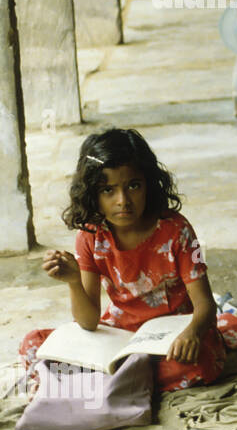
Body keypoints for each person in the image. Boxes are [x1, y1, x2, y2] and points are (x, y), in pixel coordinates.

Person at [28, 129, 226, 394]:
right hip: (121, 333)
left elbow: (206, 305)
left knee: (191, 363)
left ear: (149, 184)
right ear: (91, 194)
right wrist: (74, 282)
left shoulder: (177, 230)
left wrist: (193, 332)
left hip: (173, 335)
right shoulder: (90, 235)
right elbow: (88, 322)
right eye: (108, 190)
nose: (123, 201)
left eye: (133, 186)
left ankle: (119, 383)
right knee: (34, 344)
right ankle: (128, 379)